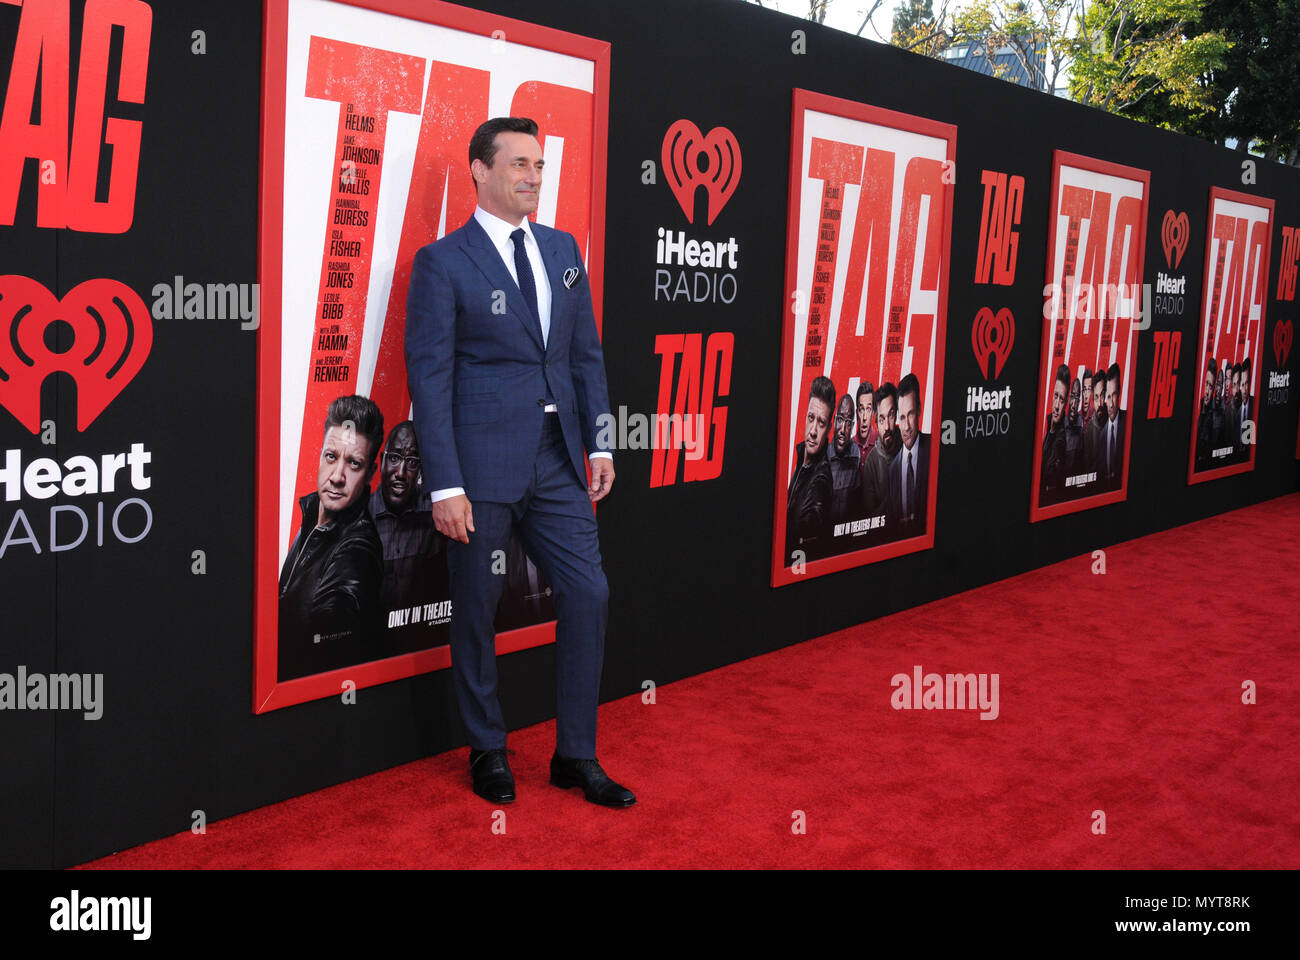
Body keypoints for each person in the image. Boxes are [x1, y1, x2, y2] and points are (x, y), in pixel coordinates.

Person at [405, 117, 633, 808]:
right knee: (477, 606)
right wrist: (444, 483)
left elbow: (583, 355)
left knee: (588, 592)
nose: (535, 176)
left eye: (540, 165)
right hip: (478, 466)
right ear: (479, 170)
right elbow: (429, 377)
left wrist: (599, 441)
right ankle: (487, 747)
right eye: (520, 164)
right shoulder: (442, 262)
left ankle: (575, 754)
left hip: (558, 456)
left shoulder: (563, 250)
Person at [278, 395, 385, 681]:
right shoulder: (313, 513)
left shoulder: (356, 552)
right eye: (331, 456)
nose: (337, 476)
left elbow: (326, 651)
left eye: (353, 464)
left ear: (370, 474)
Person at [368, 420, 447, 653]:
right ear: (381, 460)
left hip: (425, 646)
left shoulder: (437, 515)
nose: (400, 473)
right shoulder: (359, 518)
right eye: (394, 458)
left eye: (411, 462)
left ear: (421, 471)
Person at [786, 376, 835, 559]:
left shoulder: (820, 482)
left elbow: (804, 542)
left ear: (829, 428)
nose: (813, 431)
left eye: (821, 423)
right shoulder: (802, 459)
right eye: (811, 418)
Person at [885, 372, 930, 536]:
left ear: (919, 410)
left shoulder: (933, 451)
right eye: (902, 418)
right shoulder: (892, 470)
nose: (907, 426)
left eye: (910, 414)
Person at [861, 381, 898, 518]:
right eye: (882, 420)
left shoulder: (909, 447)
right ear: (876, 423)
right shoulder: (871, 461)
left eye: (891, 415)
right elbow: (870, 516)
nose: (887, 427)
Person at [828, 394, 862, 528]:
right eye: (840, 419)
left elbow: (857, 503)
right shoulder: (822, 456)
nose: (843, 429)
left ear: (853, 426)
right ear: (834, 421)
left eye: (848, 422)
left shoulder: (856, 455)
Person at [1040, 365, 1069, 502]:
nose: (1057, 405)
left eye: (1062, 400)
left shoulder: (1062, 439)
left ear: (1066, 404)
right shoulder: (1048, 421)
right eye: (1056, 396)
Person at [1100, 363, 1125, 489]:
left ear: (1120, 391)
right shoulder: (1101, 435)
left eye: (1114, 395)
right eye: (1108, 397)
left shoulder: (1128, 423)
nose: (1111, 404)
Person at [1083, 371, 1107, 482]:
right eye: (1096, 397)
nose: (1100, 403)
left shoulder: (1115, 420)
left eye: (1102, 395)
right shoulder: (1089, 431)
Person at [1195, 359, 1216, 470]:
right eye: (1206, 384)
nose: (1207, 391)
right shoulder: (1196, 404)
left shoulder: (1213, 416)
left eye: (1211, 387)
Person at [855, 381, 878, 461]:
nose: (864, 417)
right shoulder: (850, 445)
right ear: (856, 413)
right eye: (861, 409)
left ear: (873, 414)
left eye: (868, 409)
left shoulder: (881, 443)